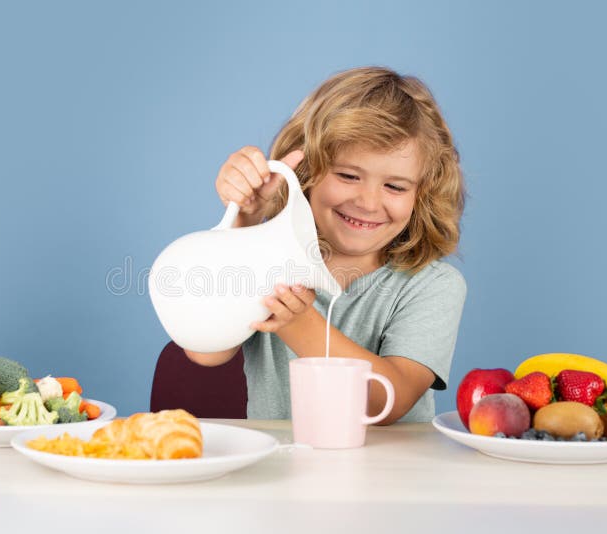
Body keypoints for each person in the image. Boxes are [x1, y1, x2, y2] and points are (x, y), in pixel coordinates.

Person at [183, 66, 466, 424]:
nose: (368, 202)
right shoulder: (269, 263)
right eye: (348, 176)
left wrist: (298, 323)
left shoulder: (432, 285)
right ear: (306, 173)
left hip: (393, 463)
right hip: (282, 460)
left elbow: (388, 400)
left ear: (422, 195)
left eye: (395, 186)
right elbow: (205, 350)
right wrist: (245, 222)